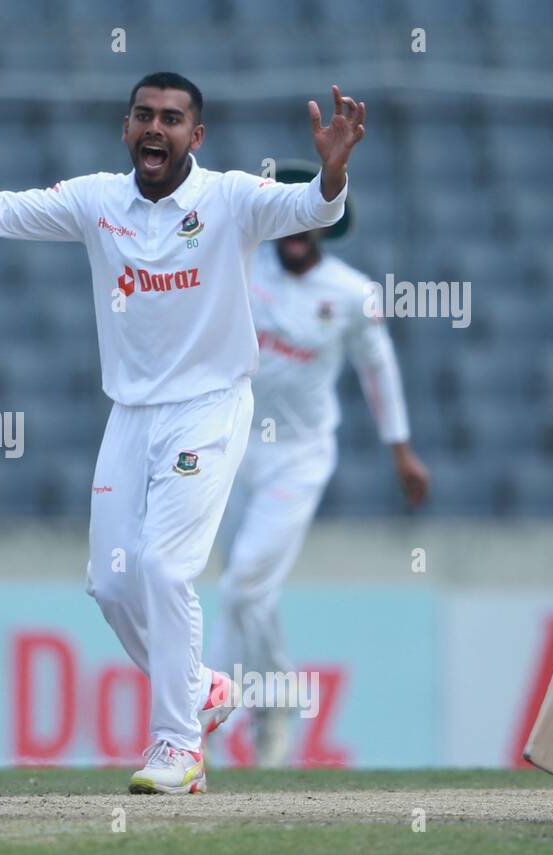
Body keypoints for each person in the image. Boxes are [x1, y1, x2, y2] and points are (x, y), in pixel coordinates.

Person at [0, 71, 365, 794]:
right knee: (112, 585)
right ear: (125, 128)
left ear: (194, 137)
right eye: (144, 115)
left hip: (209, 405)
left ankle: (178, 747)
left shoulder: (230, 198)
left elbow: (309, 207)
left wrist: (332, 171)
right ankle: (203, 688)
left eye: (173, 119)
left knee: (164, 569)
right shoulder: (95, 201)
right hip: (131, 414)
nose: (156, 128)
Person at [214, 159, 429, 767]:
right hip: (232, 446)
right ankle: (273, 699)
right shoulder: (242, 267)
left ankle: (247, 703)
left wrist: (401, 451)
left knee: (242, 585)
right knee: (247, 595)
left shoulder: (352, 293)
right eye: (289, 223)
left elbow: (378, 368)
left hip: (299, 458)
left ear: (325, 230)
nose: (298, 237)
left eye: (310, 226)